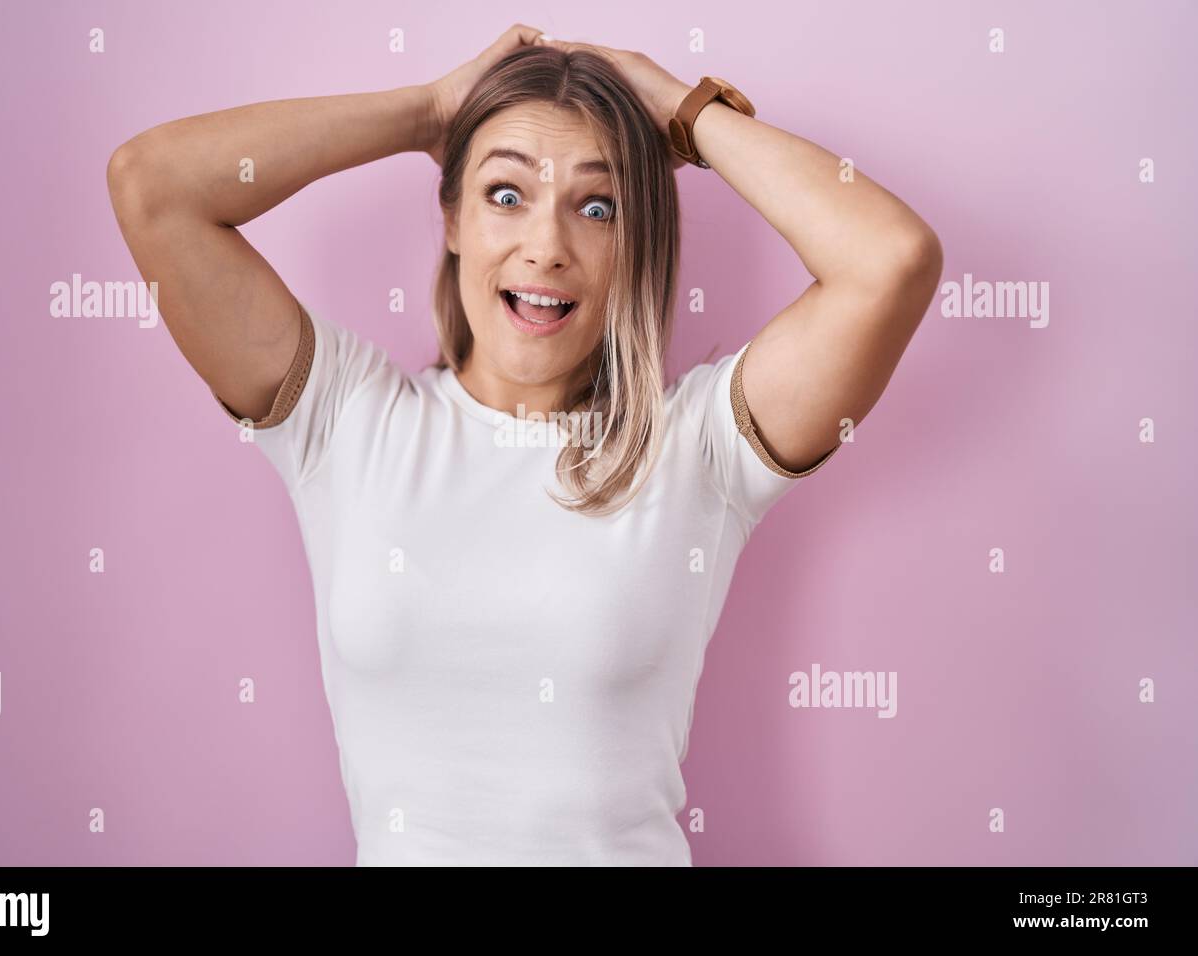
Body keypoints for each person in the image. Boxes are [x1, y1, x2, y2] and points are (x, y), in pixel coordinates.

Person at [106, 24, 942, 866]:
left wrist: (685, 112)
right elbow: (154, 186)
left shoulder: (698, 451)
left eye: (597, 206)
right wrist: (428, 111)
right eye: (505, 194)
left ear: (635, 247)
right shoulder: (342, 419)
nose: (547, 246)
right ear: (453, 220)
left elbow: (890, 260)